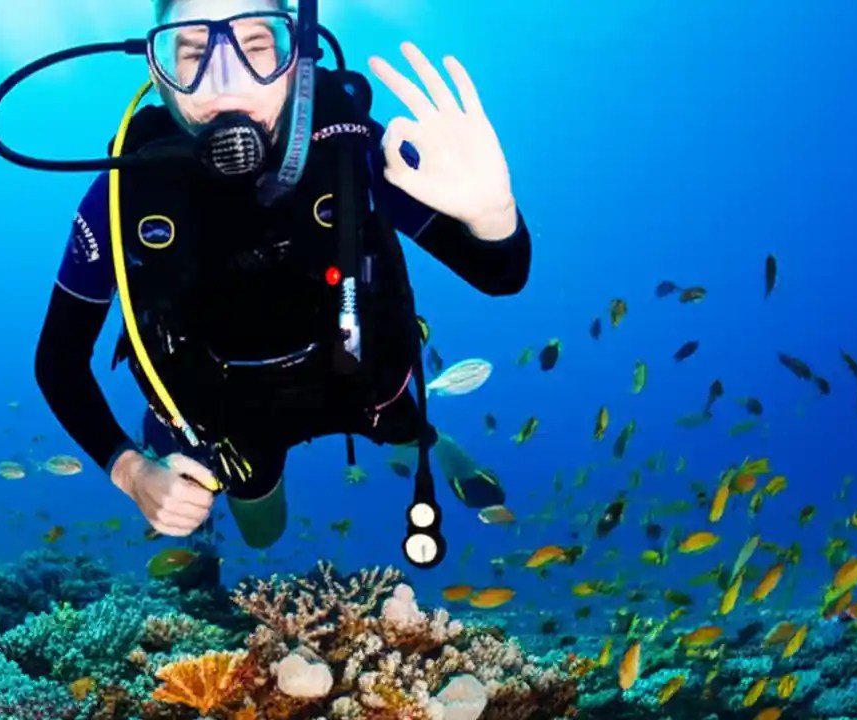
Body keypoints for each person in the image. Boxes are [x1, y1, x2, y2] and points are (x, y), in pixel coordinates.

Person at [33, 0, 531, 554]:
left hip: (360, 371)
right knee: (263, 535)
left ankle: (433, 442)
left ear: (297, 57)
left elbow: (501, 275)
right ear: (159, 73)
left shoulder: (354, 152)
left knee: (407, 432)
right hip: (233, 410)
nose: (226, 82)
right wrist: (131, 471)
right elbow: (58, 361)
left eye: (256, 46)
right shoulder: (125, 195)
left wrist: (493, 217)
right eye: (193, 52)